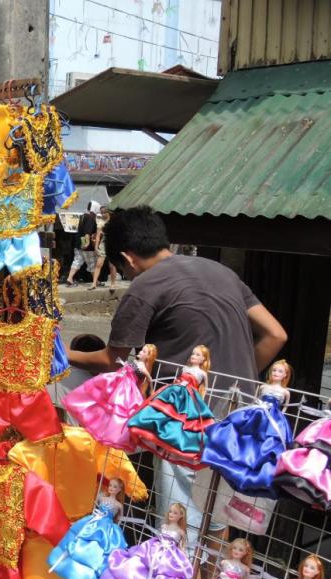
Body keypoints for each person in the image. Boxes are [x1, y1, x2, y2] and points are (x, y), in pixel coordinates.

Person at [67, 205, 287, 554]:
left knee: (178, 530)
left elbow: (114, 359)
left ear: (128, 257)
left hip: (183, 423)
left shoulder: (145, 286)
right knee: (217, 520)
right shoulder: (221, 272)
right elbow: (276, 335)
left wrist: (64, 355)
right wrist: (236, 381)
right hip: (239, 418)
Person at [66, 201, 99, 285]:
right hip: (86, 247)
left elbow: (82, 232)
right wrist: (87, 243)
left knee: (77, 261)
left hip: (78, 244)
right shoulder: (90, 218)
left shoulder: (82, 216)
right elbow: (87, 232)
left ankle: (69, 278)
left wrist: (83, 244)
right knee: (92, 263)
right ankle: (95, 281)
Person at [90, 205, 118, 290]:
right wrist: (96, 247)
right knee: (98, 264)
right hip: (103, 244)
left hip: (112, 243)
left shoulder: (114, 222)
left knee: (112, 265)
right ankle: (94, 283)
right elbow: (98, 236)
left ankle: (113, 284)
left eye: (104, 212)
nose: (102, 214)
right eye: (101, 212)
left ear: (108, 212)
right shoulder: (100, 222)